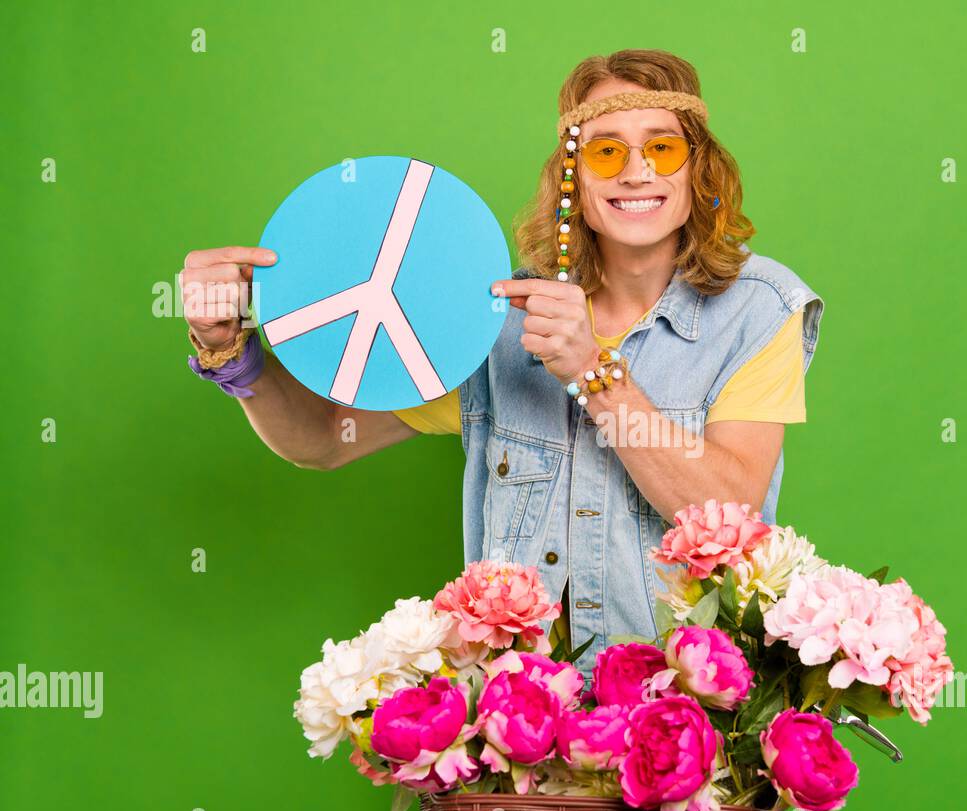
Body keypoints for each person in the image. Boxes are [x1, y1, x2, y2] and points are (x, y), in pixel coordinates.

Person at [180, 49, 824, 678]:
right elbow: (324, 439)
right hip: (524, 728)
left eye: (662, 148)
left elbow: (730, 513)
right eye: (606, 151)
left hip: (693, 726)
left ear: (697, 171)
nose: (636, 173)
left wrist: (592, 373)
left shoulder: (758, 311)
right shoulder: (497, 325)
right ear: (574, 177)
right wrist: (228, 350)